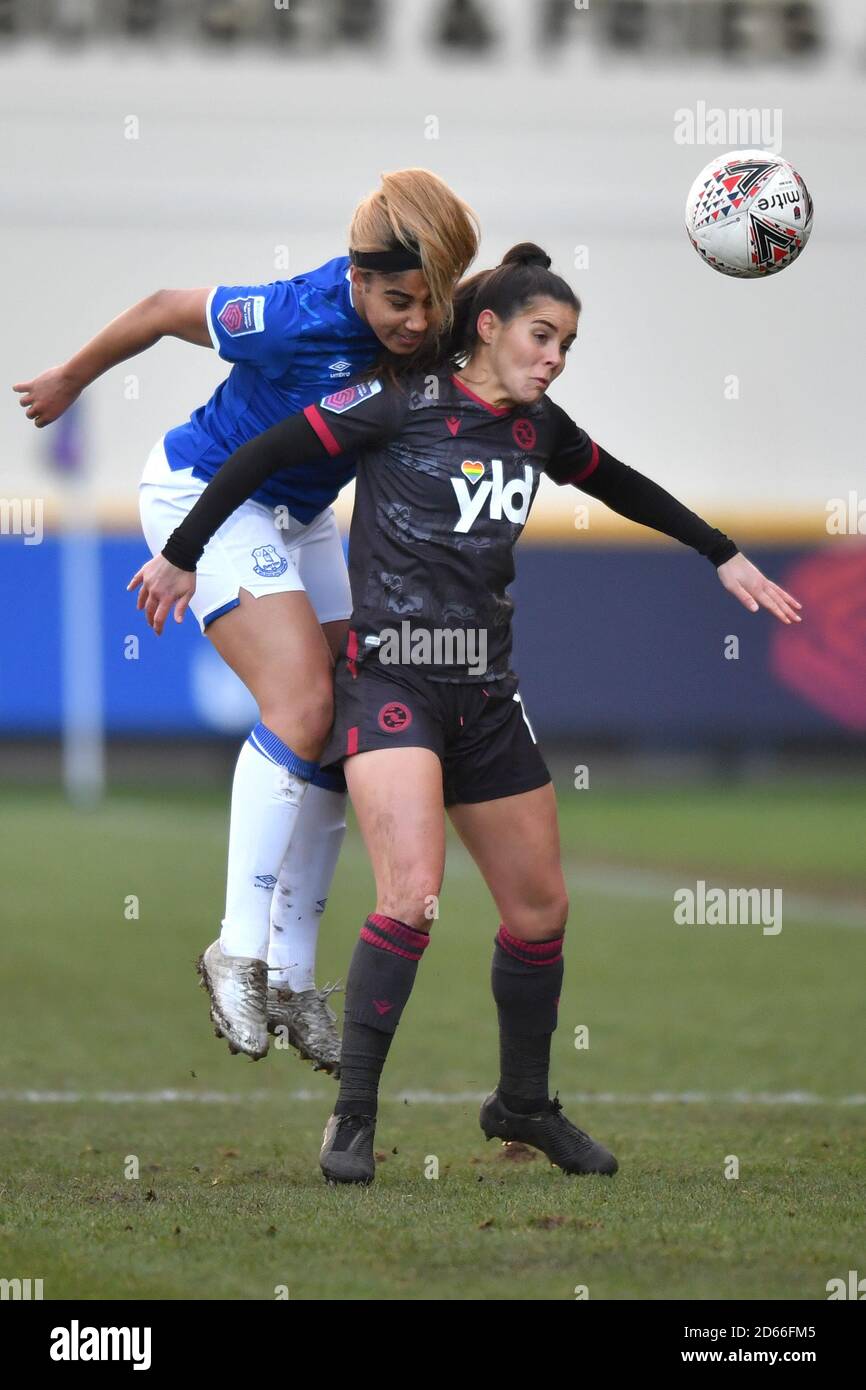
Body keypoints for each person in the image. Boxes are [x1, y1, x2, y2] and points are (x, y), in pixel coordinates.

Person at [128, 244, 802, 1181]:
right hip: (395, 682)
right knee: (411, 896)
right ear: (487, 328)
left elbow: (618, 479)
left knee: (540, 912)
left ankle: (521, 1103)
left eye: (567, 342)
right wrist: (186, 550)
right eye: (542, 335)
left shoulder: (540, 429)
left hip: (486, 692)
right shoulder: (400, 402)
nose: (556, 356)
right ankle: (352, 1119)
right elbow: (263, 455)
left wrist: (720, 551)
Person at [14, 170, 479, 1072]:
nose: (417, 324)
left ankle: (295, 977)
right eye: (396, 301)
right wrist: (71, 376)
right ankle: (239, 944)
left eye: (433, 302)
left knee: (351, 719)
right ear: (356, 275)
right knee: (301, 705)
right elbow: (158, 308)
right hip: (202, 496)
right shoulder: (292, 315)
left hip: (297, 517)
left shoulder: (435, 316)